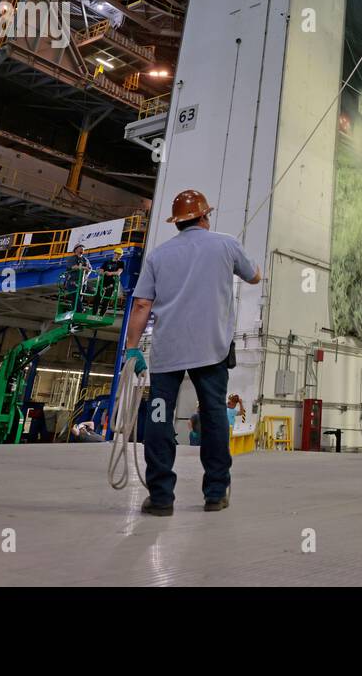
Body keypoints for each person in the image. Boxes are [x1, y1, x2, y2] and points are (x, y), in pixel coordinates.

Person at [124, 188, 261, 516]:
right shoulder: (226, 243)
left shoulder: (158, 255)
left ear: (177, 223)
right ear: (205, 216)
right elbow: (255, 276)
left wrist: (131, 349)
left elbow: (142, 303)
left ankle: (160, 498)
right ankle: (215, 494)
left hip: (166, 354)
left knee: (158, 416)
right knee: (214, 417)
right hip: (211, 351)